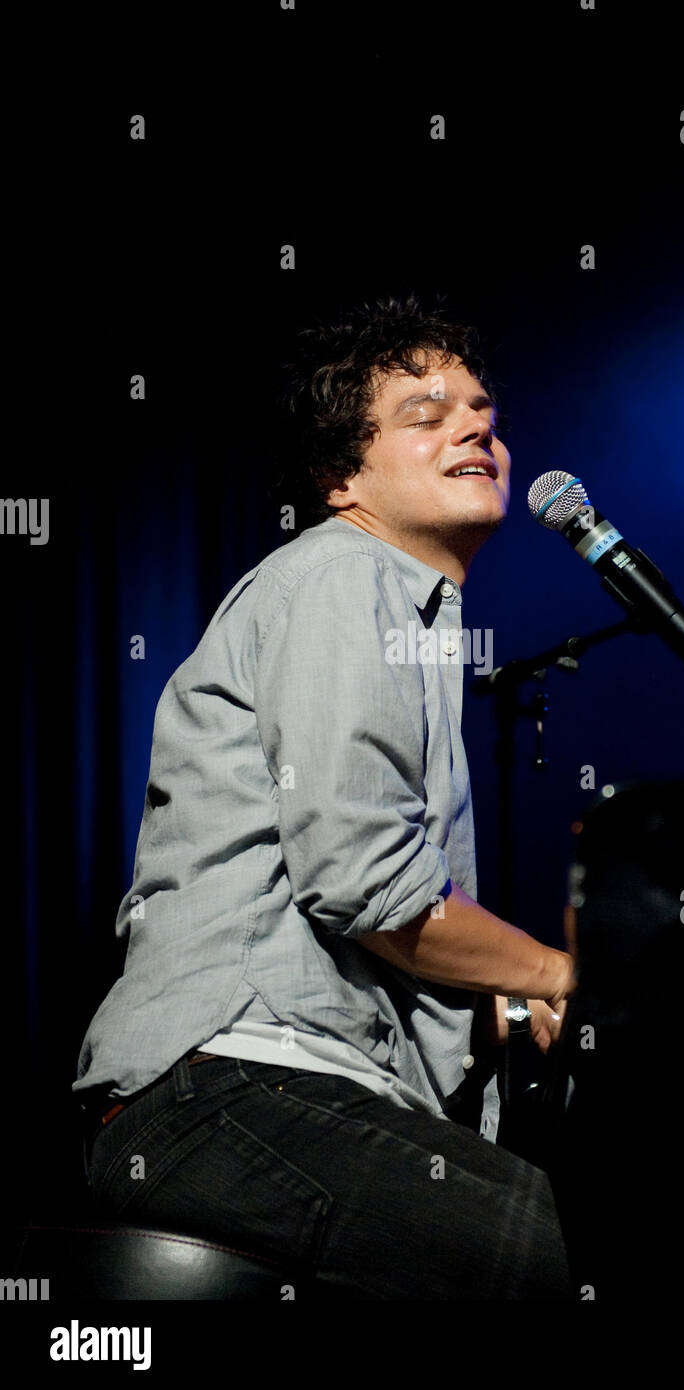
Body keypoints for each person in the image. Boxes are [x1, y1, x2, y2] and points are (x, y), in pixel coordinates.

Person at [73, 293, 578, 1300]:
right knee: (545, 1244)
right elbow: (367, 884)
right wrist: (561, 971)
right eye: (426, 414)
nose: (476, 426)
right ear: (343, 477)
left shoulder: (404, 616)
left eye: (482, 410)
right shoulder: (350, 576)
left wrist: (498, 999)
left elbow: (349, 920)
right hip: (222, 1093)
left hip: (279, 1090)